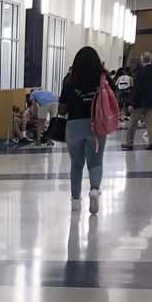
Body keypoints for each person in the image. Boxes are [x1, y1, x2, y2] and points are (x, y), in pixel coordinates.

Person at [59, 46, 112, 215]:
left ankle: (75, 201)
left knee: (76, 164)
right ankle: (94, 190)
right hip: (97, 126)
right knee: (95, 162)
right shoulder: (104, 79)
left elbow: (62, 110)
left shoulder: (70, 80)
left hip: (74, 126)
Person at [124, 52, 152, 151]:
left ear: (142, 59)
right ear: (151, 59)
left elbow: (137, 89)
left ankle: (129, 143)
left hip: (140, 102)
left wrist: (132, 103)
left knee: (133, 122)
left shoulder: (140, 72)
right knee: (151, 122)